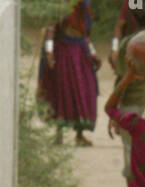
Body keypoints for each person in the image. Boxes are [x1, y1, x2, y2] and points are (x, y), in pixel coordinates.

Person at [38, 1, 101, 147]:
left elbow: (85, 35)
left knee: (85, 91)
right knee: (62, 91)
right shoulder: (62, 4)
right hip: (64, 52)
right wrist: (49, 51)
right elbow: (51, 28)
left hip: (80, 52)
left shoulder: (85, 5)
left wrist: (93, 53)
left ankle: (80, 135)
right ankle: (59, 134)